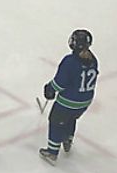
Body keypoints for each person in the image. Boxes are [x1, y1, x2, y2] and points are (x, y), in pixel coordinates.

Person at [39, 30, 99, 165]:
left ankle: (52, 152)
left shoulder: (70, 61)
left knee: (55, 121)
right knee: (71, 119)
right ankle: (67, 140)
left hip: (68, 102)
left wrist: (50, 89)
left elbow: (60, 83)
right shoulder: (93, 59)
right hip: (85, 102)